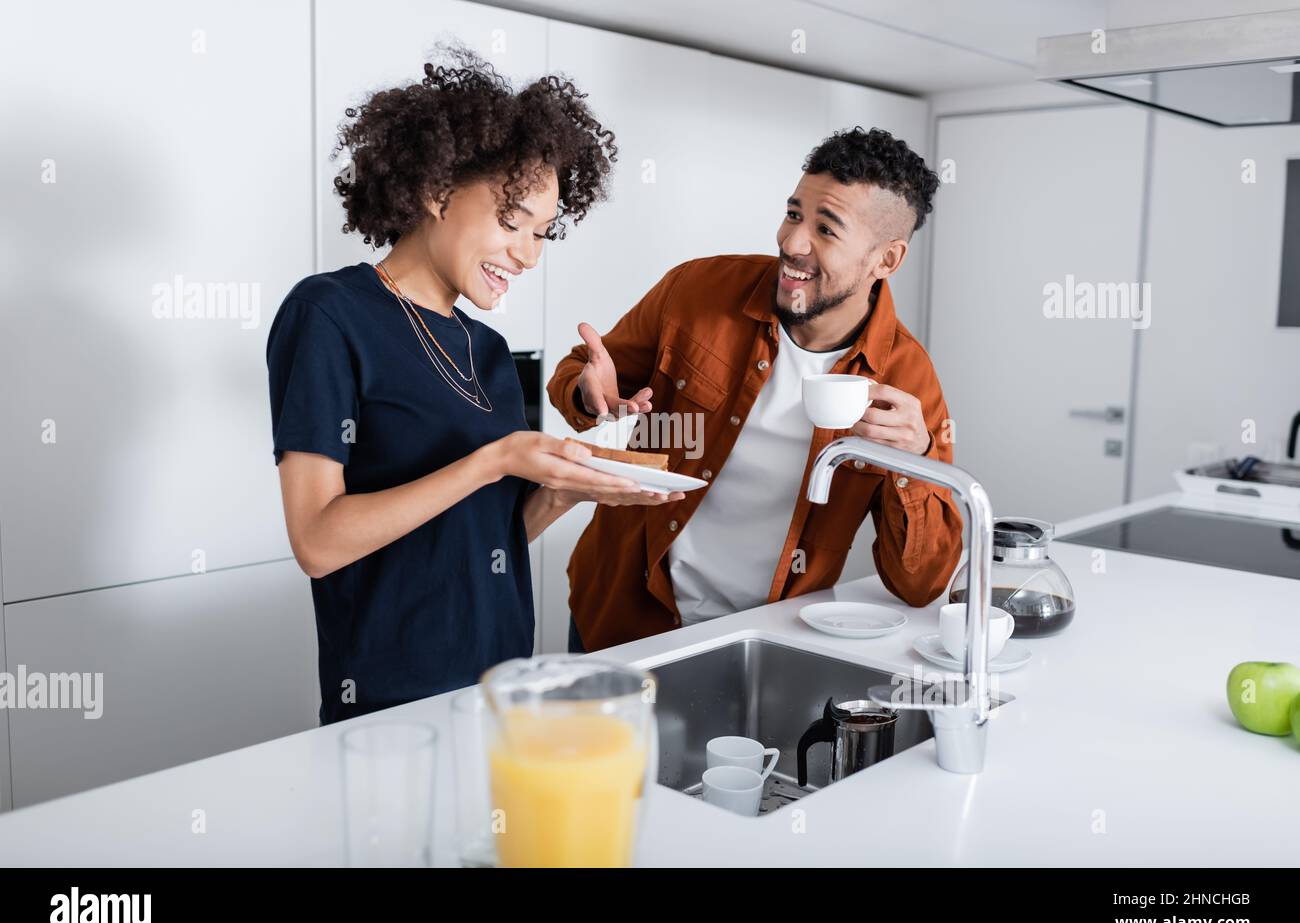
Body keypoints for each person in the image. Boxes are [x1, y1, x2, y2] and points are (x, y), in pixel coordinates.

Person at [266, 48, 679, 724]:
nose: (527, 253)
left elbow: (493, 534)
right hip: (390, 705)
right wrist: (494, 459)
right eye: (511, 221)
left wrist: (569, 484)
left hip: (504, 689)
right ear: (436, 192)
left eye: (542, 233)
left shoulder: (486, 349)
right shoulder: (328, 315)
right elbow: (317, 541)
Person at [548, 126, 964, 653]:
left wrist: (916, 464)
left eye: (827, 229)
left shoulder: (908, 378)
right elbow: (584, 369)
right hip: (621, 614)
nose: (792, 243)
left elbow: (921, 583)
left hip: (768, 642)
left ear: (886, 260)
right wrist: (590, 394)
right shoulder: (696, 290)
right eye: (793, 214)